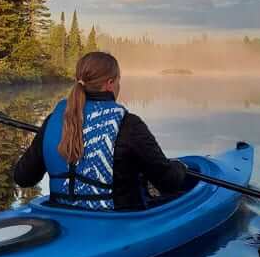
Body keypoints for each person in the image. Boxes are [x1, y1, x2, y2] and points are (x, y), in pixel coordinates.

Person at [13, 51, 189, 210]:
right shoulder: (129, 125)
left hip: (63, 216)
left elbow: (23, 177)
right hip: (116, 223)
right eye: (119, 80)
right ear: (110, 84)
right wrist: (180, 167)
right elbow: (169, 183)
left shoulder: (54, 120)